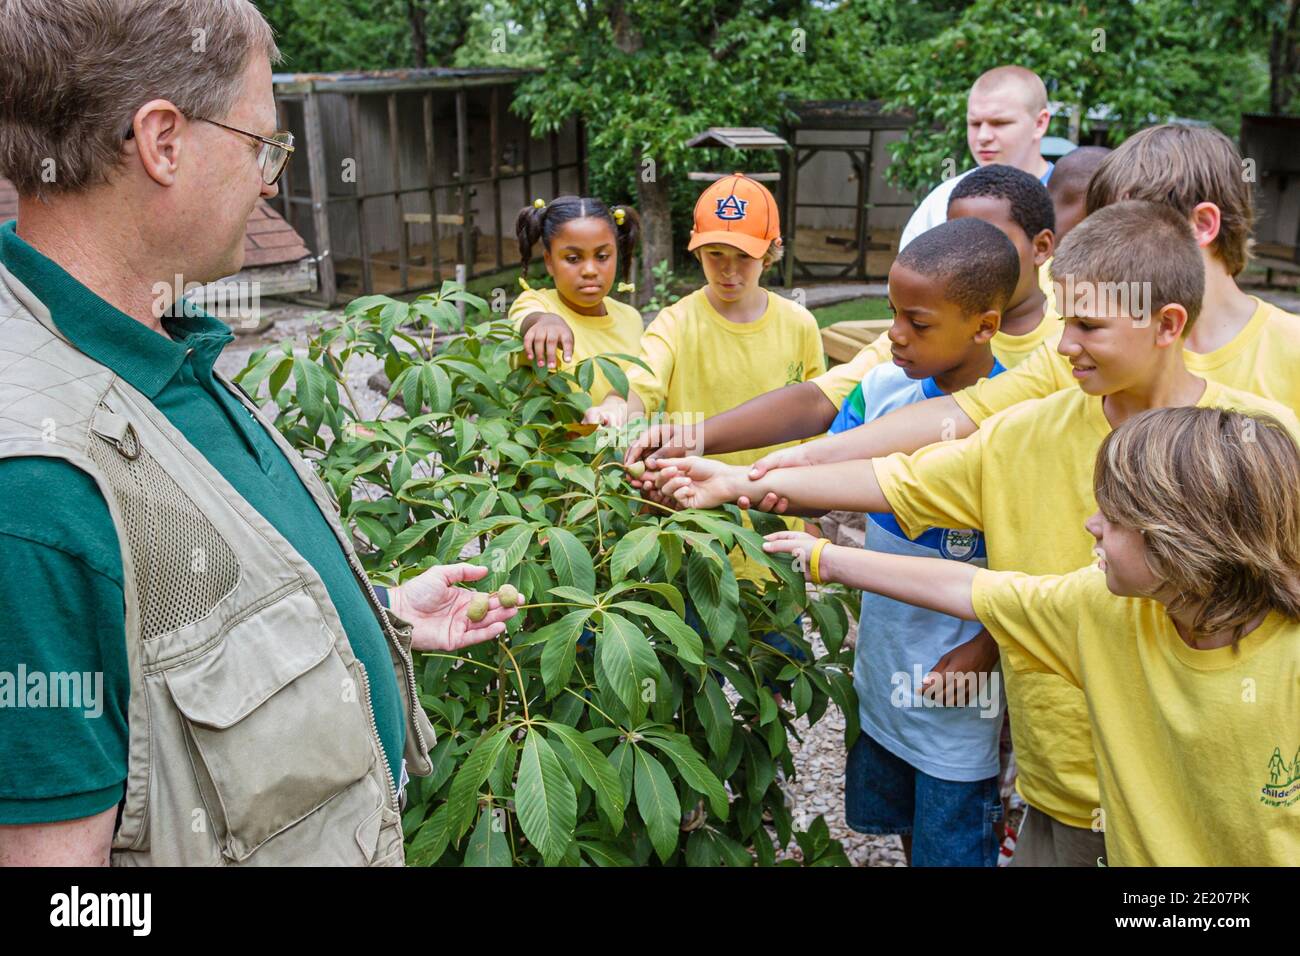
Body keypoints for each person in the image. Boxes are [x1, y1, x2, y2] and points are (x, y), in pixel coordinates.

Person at [0, 0, 517, 866]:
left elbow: (166, 638)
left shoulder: (152, 343)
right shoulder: (34, 492)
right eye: (260, 146)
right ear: (163, 142)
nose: (270, 180)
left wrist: (376, 614)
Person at [650, 200, 1300, 865]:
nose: (1064, 344)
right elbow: (900, 481)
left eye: (1088, 326)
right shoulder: (1028, 433)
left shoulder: (1256, 444)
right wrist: (736, 483)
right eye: (1063, 321)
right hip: (1065, 778)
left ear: (1166, 324)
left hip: (1229, 792)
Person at [761, 405, 1300, 866]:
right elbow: (972, 588)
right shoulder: (1100, 607)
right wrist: (826, 559)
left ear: (1181, 543)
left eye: (1112, 517)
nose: (1090, 524)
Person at [771, 124, 1300, 469]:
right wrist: (803, 460)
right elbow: (963, 412)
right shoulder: (1084, 351)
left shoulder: (1288, 355)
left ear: (1202, 225)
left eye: (1127, 224)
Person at [623, 163, 1058, 472]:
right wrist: (692, 439)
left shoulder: (1069, 345)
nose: (965, 254)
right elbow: (819, 402)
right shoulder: (897, 365)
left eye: (989, 239)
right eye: (951, 235)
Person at [831, 217, 1018, 866]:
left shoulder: (1015, 420)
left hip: (960, 680)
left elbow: (1038, 568)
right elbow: (823, 472)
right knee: (907, 819)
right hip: (884, 664)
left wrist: (984, 650)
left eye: (919, 322)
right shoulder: (881, 387)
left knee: (955, 832)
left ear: (985, 325)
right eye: (891, 313)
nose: (894, 334)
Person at [897, 65, 1054, 253]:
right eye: (975, 123)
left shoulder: (1071, 200)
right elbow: (905, 279)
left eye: (999, 123)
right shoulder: (943, 200)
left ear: (1040, 123)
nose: (983, 136)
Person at [509, 195, 643, 405]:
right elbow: (527, 319)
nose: (590, 270)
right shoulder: (535, 303)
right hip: (557, 438)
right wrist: (546, 322)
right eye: (573, 259)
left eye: (602, 256)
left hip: (622, 436)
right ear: (549, 261)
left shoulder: (631, 318)